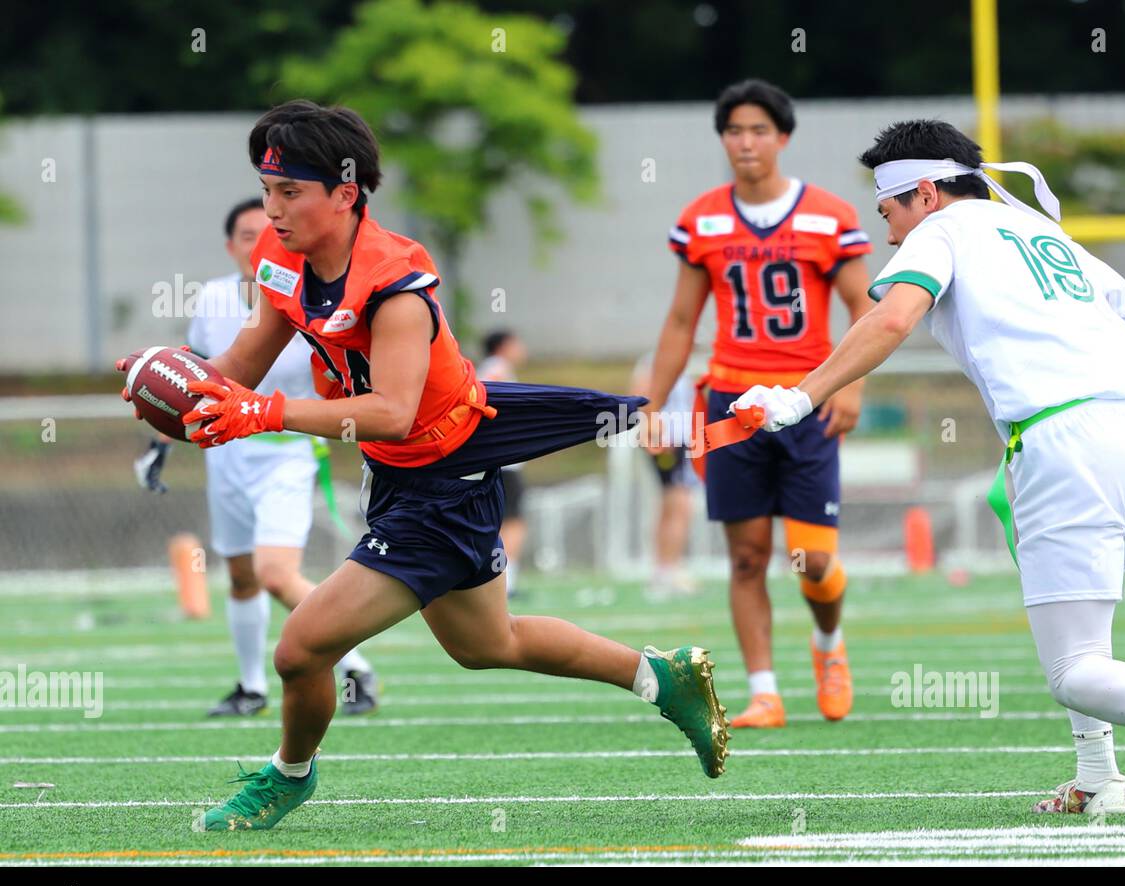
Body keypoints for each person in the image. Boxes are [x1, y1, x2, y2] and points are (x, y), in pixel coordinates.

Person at [117, 100, 729, 830]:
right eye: (266, 189)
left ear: (344, 193)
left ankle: (289, 775)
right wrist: (174, 391)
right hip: (403, 475)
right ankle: (662, 678)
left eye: (289, 192)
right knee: (487, 644)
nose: (270, 210)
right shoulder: (280, 261)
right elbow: (236, 370)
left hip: (444, 480)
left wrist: (264, 414)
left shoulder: (395, 282)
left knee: (300, 648)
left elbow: (392, 410)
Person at [730, 119, 1125, 817]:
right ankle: (1099, 778)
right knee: (1085, 635)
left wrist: (801, 396)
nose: (888, 231)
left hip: (1066, 437)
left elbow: (893, 319)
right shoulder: (1041, 229)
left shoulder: (942, 232)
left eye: (887, 209)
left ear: (922, 192)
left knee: (1073, 671)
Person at [643, 79, 875, 728]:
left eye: (759, 130)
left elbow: (865, 306)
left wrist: (849, 385)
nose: (746, 142)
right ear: (723, 139)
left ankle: (828, 642)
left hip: (806, 400)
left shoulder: (828, 215)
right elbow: (682, 318)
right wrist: (652, 405)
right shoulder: (702, 218)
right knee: (746, 556)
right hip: (731, 405)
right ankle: (765, 691)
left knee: (814, 561)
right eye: (735, 130)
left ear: (783, 138)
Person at [133, 197, 379, 717]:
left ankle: (355, 666)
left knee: (275, 573)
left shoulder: (306, 298)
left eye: (267, 229)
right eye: (247, 235)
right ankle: (251, 687)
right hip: (225, 454)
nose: (260, 241)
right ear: (230, 246)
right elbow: (197, 375)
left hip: (284, 450)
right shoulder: (212, 299)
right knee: (242, 576)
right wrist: (158, 433)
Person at [630, 354, 698, 600]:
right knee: (679, 504)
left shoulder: (675, 364)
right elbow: (641, 395)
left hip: (677, 440)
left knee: (672, 503)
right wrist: (655, 429)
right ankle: (668, 569)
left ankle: (664, 568)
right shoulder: (655, 362)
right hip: (667, 440)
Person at [477, 330, 528, 598]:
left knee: (503, 522)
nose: (522, 348)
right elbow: (484, 398)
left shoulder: (494, 367)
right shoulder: (496, 368)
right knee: (513, 521)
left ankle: (503, 580)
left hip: (498, 458)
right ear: (504, 346)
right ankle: (506, 581)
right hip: (504, 460)